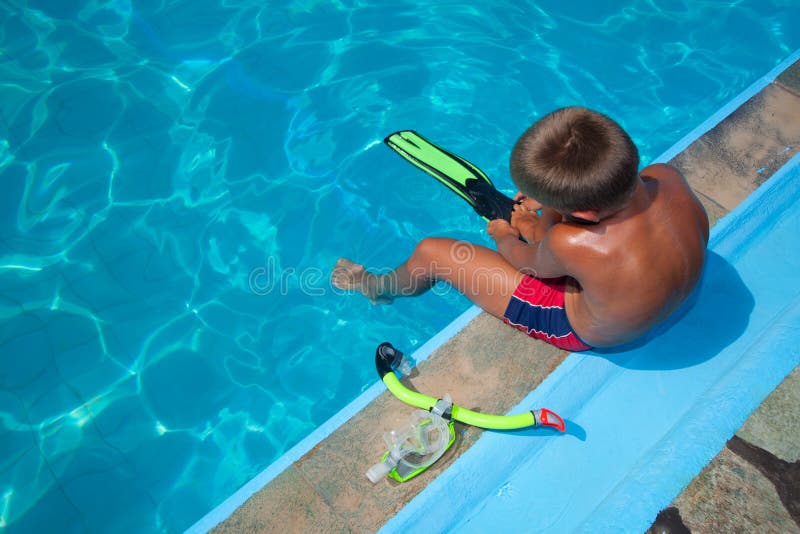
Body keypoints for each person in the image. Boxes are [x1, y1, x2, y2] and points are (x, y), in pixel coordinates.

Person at [331, 107, 709, 351]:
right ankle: (541, 215)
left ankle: (375, 289)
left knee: (433, 252)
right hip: (654, 289)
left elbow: (532, 265)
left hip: (578, 325)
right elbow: (594, 233)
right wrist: (541, 215)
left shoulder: (570, 240)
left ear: (585, 214)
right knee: (555, 229)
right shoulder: (666, 177)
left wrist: (507, 235)